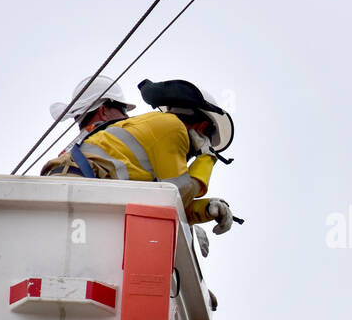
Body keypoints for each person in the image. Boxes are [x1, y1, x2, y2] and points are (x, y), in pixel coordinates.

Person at [42, 76, 236, 233]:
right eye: (123, 109)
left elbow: (157, 199)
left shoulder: (148, 139)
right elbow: (174, 198)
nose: (126, 117)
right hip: (78, 186)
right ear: (202, 126)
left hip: (73, 187)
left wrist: (205, 209)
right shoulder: (173, 127)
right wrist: (206, 159)